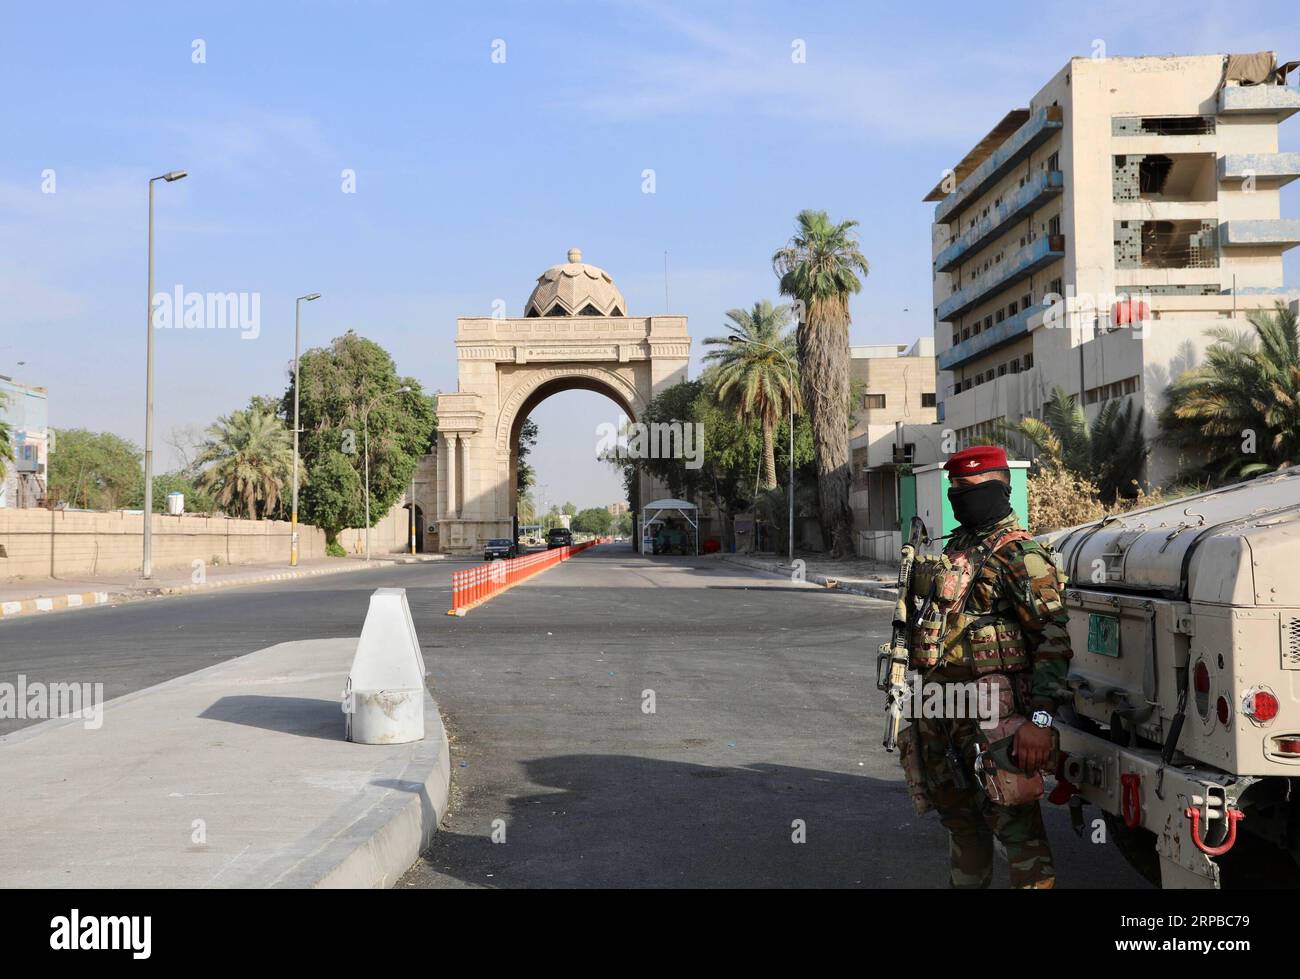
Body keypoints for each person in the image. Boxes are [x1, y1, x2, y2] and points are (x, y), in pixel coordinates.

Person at [908, 445, 1073, 888]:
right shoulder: (960, 546)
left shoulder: (1020, 555)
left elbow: (1054, 640)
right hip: (942, 710)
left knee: (1017, 828)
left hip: (994, 715)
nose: (957, 496)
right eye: (953, 488)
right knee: (962, 822)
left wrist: (1039, 721)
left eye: (968, 488)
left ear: (999, 488)